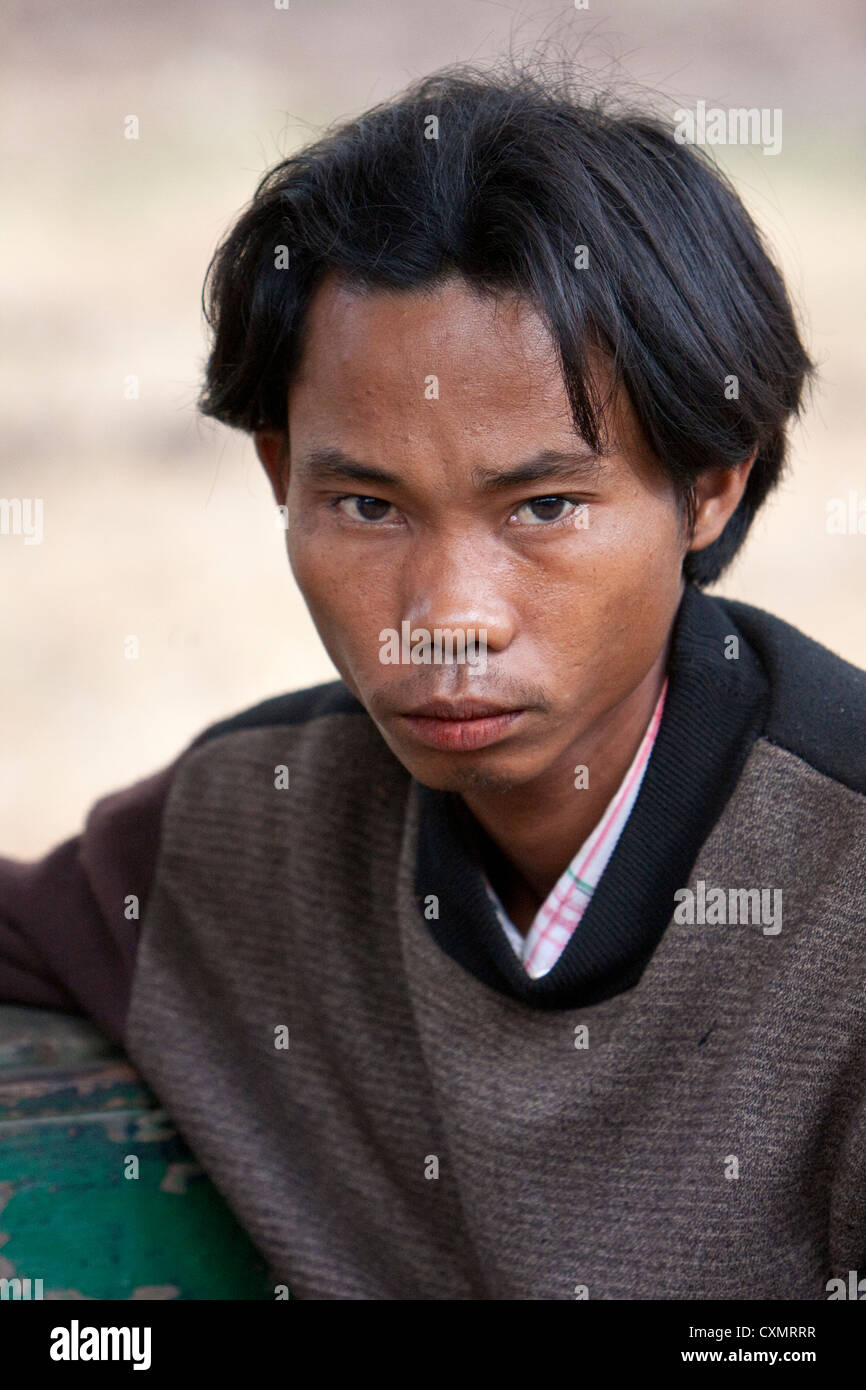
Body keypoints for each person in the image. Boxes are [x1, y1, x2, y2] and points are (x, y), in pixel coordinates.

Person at [1, 62, 864, 1301]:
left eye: (544, 505)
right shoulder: (245, 833)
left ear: (709, 482)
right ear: (276, 474)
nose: (445, 617)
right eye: (365, 504)